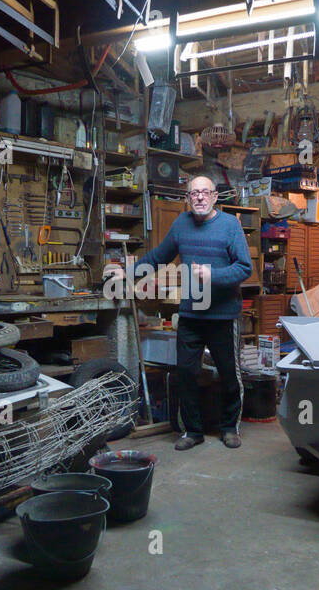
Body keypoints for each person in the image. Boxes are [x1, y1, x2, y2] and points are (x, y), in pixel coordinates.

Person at [105, 176, 252, 449]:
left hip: (222, 316)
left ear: (215, 196)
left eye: (204, 192)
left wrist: (213, 275)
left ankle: (229, 427)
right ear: (187, 198)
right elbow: (158, 257)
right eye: (193, 193)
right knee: (185, 373)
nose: (199, 197)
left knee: (229, 375)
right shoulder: (181, 224)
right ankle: (193, 431)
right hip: (191, 315)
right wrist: (127, 274)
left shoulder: (230, 226)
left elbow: (244, 268)